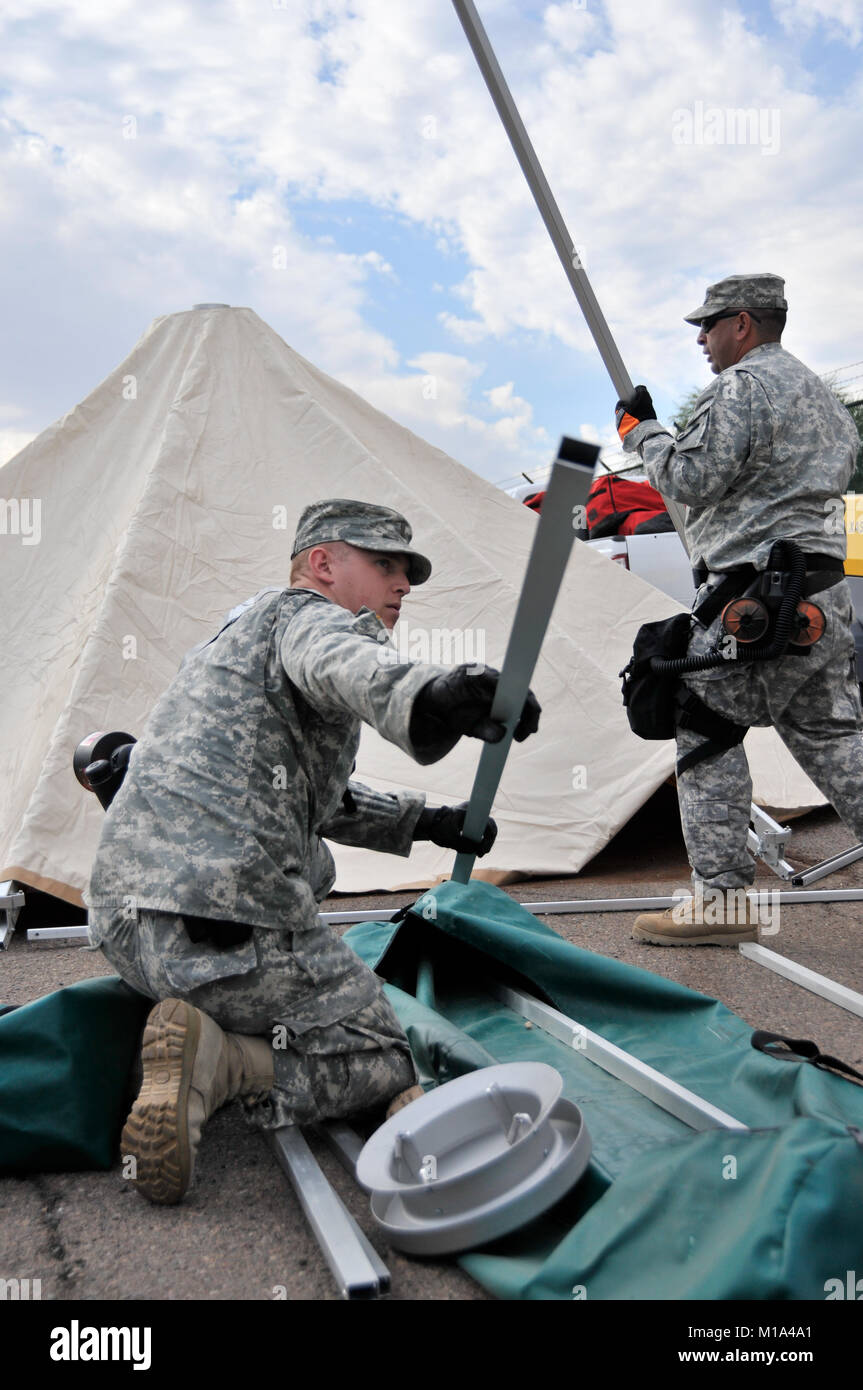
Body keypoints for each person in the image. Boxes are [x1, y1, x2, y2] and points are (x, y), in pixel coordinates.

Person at [86, 499, 540, 1202]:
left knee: (298, 1003)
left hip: (128, 925)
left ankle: (207, 1029)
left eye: (406, 571)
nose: (403, 585)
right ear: (322, 564)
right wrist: (432, 693)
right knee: (386, 1058)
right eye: (384, 564)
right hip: (228, 932)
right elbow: (344, 660)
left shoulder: (231, 642)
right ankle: (224, 1064)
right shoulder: (305, 617)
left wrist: (431, 823)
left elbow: (315, 798)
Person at [614, 273, 861, 946]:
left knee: (701, 719)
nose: (701, 338)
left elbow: (690, 480)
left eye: (709, 324)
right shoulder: (824, 402)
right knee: (838, 740)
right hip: (821, 598)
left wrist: (643, 433)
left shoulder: (741, 389)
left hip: (758, 599)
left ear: (743, 324)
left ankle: (722, 904)